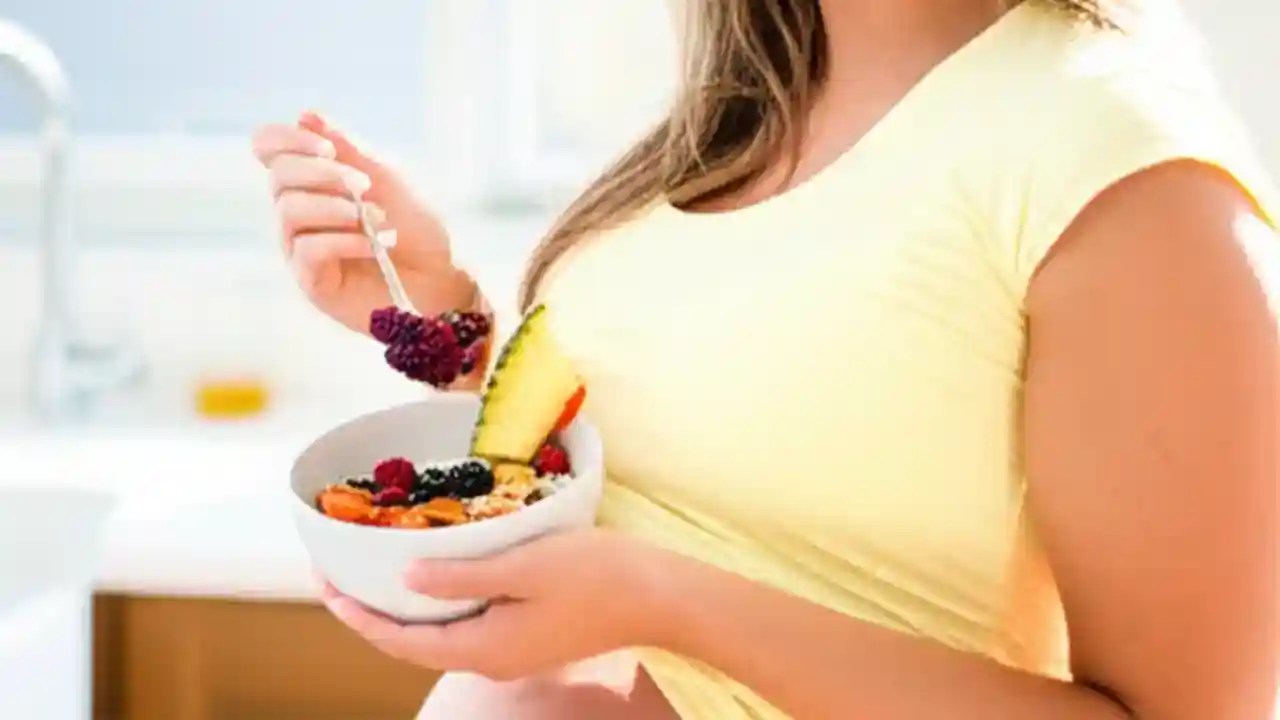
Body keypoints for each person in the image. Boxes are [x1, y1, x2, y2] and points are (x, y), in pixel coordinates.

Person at [252, 0, 1279, 717]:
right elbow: (698, 466)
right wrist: (449, 323)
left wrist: (664, 605)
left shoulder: (1122, 168)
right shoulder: (739, 116)